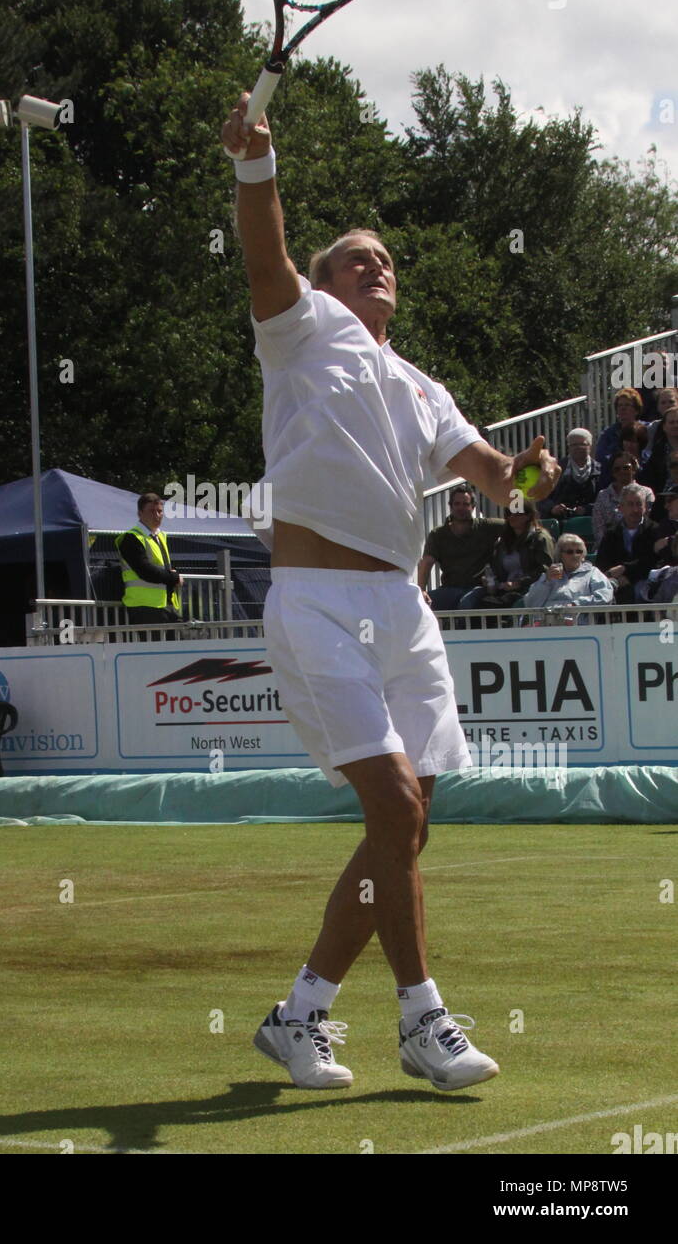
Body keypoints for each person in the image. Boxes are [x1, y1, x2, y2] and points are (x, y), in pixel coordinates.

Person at [220, 93, 559, 1093]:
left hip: (404, 615)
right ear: (322, 283)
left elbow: (501, 482)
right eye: (355, 257)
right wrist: (256, 165)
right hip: (317, 602)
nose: (376, 265)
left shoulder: (423, 386)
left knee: (400, 827)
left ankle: (301, 1014)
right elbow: (263, 252)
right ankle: (423, 1020)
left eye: (385, 260)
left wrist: (531, 477)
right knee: (396, 804)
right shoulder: (299, 327)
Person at [417, 484, 504, 609]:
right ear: (450, 506)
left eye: (465, 504)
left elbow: (514, 525)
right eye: (457, 504)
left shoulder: (486, 527)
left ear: (473, 507)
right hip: (449, 588)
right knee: (420, 606)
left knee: (466, 604)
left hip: (478, 588)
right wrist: (422, 591)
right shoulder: (438, 534)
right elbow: (426, 563)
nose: (460, 508)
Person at [459, 503, 554, 610]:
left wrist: (518, 583)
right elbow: (495, 569)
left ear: (528, 516)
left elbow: (545, 571)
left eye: (517, 513)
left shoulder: (540, 539)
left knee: (492, 606)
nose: (511, 517)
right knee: (468, 602)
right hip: (502, 589)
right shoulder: (503, 541)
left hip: (530, 589)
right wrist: (490, 581)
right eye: (508, 513)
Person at [116, 493, 184, 626]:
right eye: (152, 511)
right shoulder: (131, 538)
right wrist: (174, 577)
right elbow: (144, 570)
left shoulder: (161, 536)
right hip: (144, 607)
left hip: (166, 604)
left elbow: (163, 567)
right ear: (140, 513)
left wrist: (172, 575)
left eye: (160, 511)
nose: (157, 515)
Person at [594, 483, 659, 603]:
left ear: (645, 507)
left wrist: (625, 570)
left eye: (639, 504)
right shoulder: (611, 533)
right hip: (617, 583)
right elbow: (602, 562)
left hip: (646, 583)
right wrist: (618, 576)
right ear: (621, 507)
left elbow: (653, 561)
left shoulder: (654, 530)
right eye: (630, 504)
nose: (635, 509)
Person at [522, 535, 614, 619]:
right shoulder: (550, 574)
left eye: (579, 551)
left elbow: (605, 596)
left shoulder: (592, 572)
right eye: (570, 552)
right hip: (546, 623)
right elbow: (530, 603)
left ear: (583, 555)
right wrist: (546, 581)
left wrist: (576, 604)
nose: (575, 555)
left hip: (578, 624)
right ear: (560, 554)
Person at [539, 428, 600, 521]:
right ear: (569, 447)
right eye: (574, 445)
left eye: (582, 444)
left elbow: (604, 500)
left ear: (590, 446)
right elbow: (542, 497)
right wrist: (552, 508)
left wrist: (587, 509)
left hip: (592, 522)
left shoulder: (599, 470)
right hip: (562, 522)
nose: (578, 447)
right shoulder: (555, 469)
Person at [592, 453, 652, 544]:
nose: (622, 471)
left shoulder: (646, 493)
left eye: (626, 468)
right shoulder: (603, 496)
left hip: (641, 544)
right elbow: (598, 528)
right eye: (617, 469)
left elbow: (648, 522)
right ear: (612, 472)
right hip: (609, 546)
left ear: (634, 469)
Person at [596, 390, 646, 488]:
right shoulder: (609, 433)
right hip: (613, 478)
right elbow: (601, 456)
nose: (623, 408)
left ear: (636, 410)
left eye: (627, 405)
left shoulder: (645, 429)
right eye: (620, 405)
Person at [639, 406, 678, 497]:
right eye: (671, 422)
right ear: (664, 427)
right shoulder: (657, 453)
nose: (676, 425)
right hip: (665, 497)